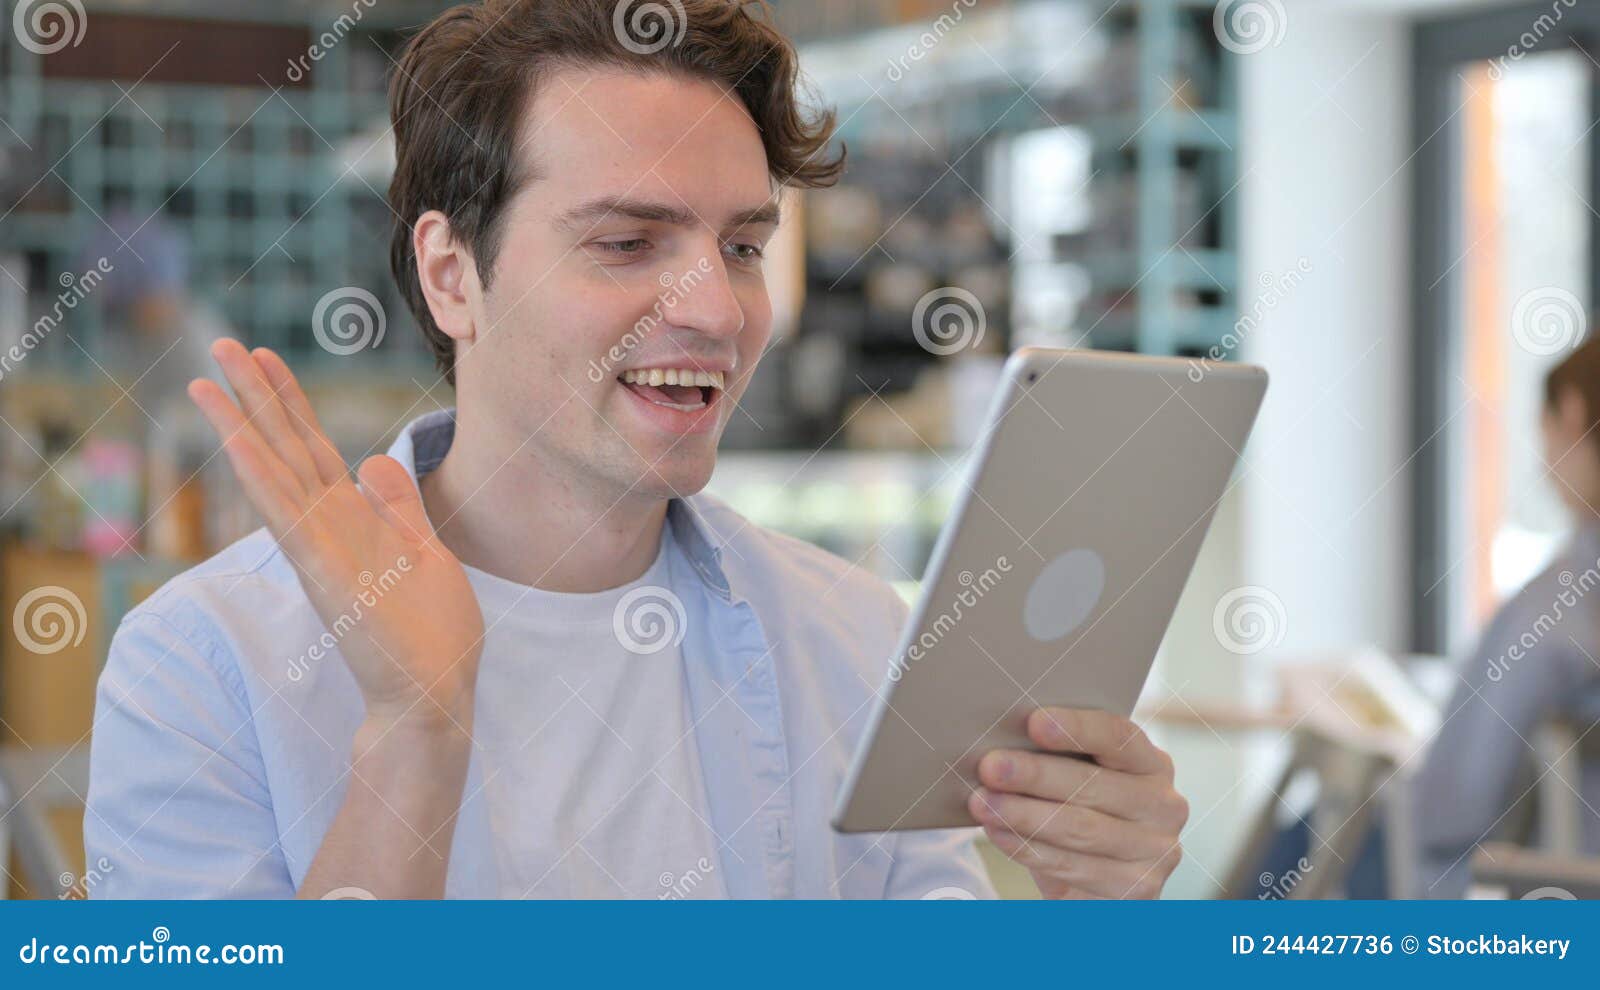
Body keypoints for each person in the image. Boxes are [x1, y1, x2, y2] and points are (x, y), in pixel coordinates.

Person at [83, 0, 1188, 899]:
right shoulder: (205, 663)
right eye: (625, 242)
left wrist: (1093, 919)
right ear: (452, 273)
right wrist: (414, 733)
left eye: (744, 245)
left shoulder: (850, 639)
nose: (716, 307)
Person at [1414, 333, 1600, 897]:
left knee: (1315, 833)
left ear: (1570, 415)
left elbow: (1452, 809)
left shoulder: (1556, 608)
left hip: (1551, 916)